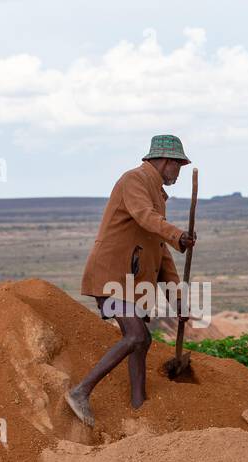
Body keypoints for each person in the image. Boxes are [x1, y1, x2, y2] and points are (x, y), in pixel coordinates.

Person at [67, 134, 197, 426]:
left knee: (143, 340)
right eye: (178, 165)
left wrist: (178, 299)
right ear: (166, 161)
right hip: (111, 277)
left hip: (130, 284)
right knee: (136, 335)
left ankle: (139, 406)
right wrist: (178, 234)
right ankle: (80, 391)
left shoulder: (156, 194)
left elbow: (161, 253)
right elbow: (144, 216)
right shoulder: (135, 180)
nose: (179, 172)